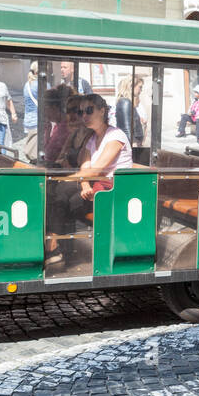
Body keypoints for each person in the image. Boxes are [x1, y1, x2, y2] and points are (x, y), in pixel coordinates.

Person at [46, 93, 133, 267]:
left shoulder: (116, 136)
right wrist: (84, 184)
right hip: (96, 186)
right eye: (81, 112)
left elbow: (96, 169)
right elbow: (85, 167)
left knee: (65, 196)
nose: (84, 116)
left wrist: (64, 179)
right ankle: (57, 247)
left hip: (114, 192)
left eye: (88, 110)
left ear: (102, 111)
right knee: (58, 193)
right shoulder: (92, 138)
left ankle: (56, 247)